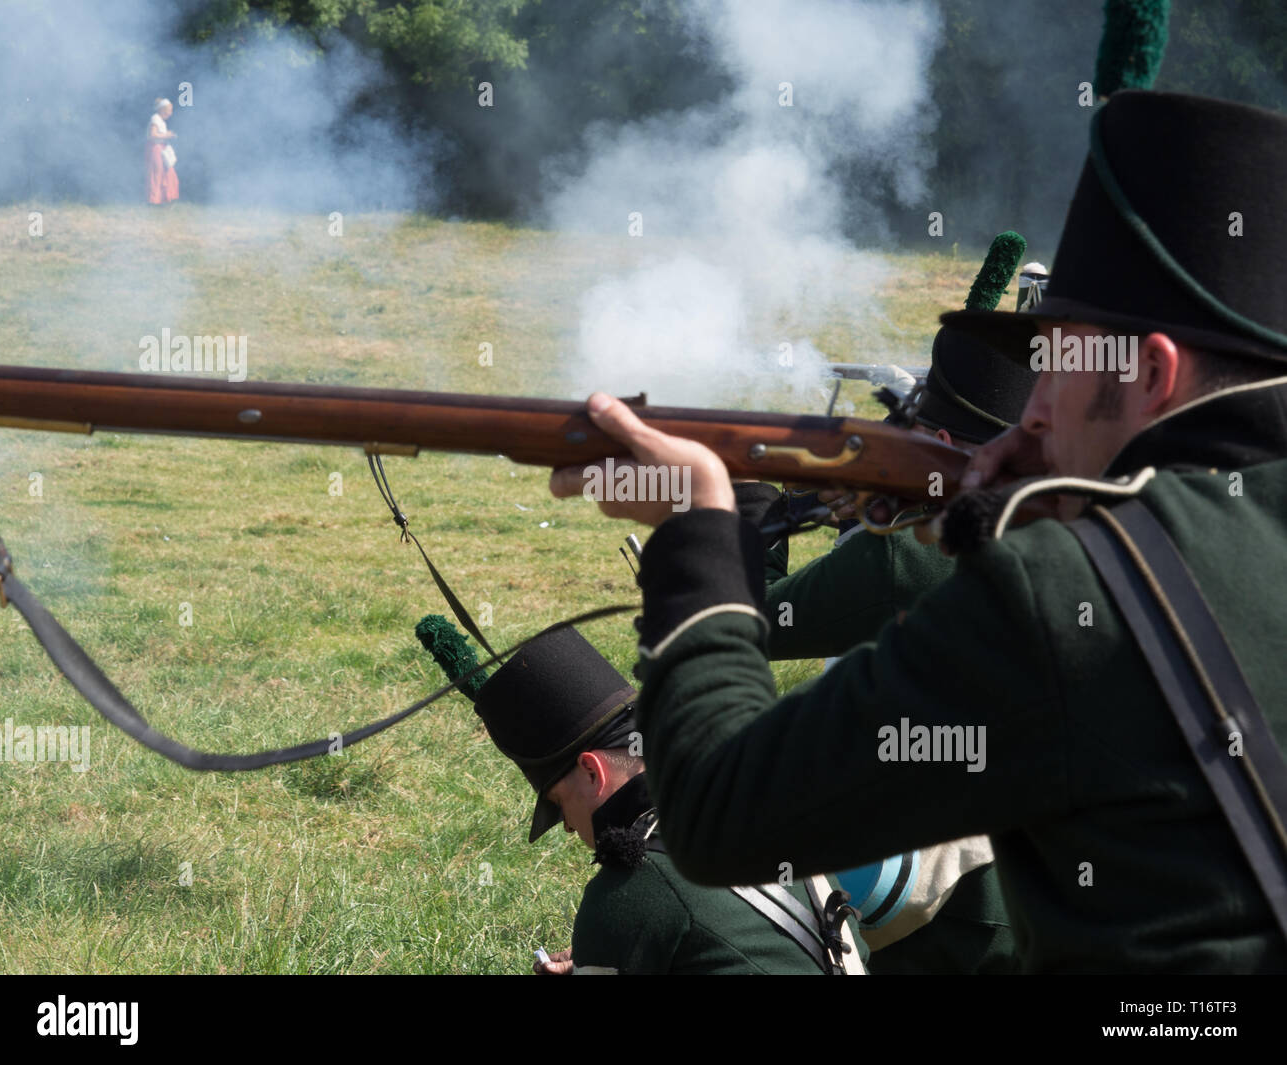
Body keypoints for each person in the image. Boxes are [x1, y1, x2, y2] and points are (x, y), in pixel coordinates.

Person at [549, 89, 1287, 973]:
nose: (1035, 404)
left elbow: (714, 815)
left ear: (1151, 374)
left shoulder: (1059, 588)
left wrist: (694, 535)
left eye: (1051, 362)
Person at [730, 234, 1040, 974]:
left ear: (933, 442)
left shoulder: (899, 557)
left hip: (936, 900)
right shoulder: (1056, 519)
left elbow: (748, 629)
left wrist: (755, 519)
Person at [454, 624, 868, 974]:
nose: (565, 824)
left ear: (593, 772)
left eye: (559, 802)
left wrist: (615, 940)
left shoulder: (628, 891)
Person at [146, 97, 179, 206]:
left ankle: (165, 199)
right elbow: (152, 135)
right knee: (157, 174)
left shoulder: (161, 121)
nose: (170, 113)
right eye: (169, 110)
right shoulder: (155, 118)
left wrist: (168, 136)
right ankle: (154, 201)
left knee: (167, 173)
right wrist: (167, 135)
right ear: (162, 109)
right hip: (155, 148)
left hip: (161, 148)